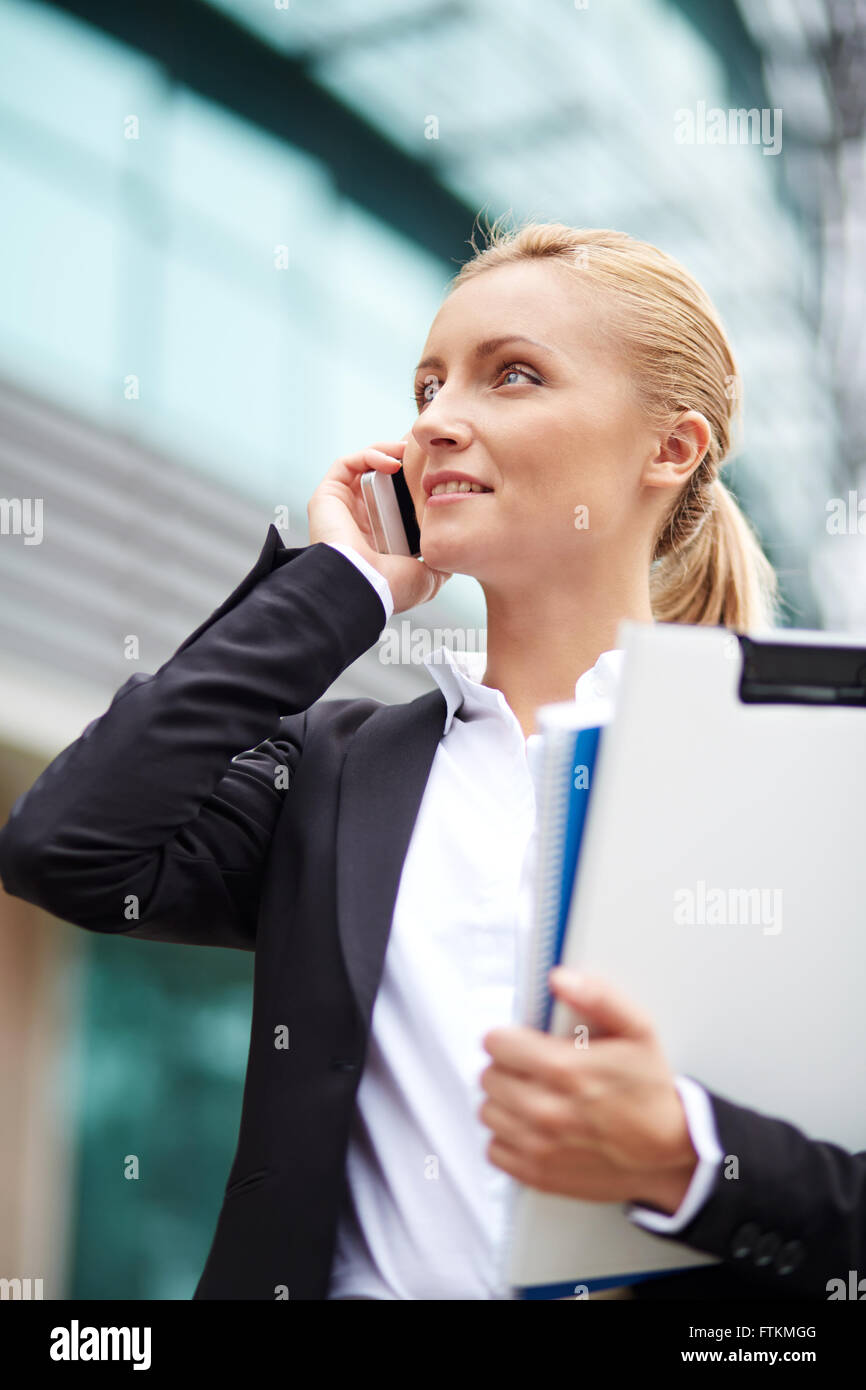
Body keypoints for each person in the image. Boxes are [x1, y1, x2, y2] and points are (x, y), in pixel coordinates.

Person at [0, 220, 860, 1301]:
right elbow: (66, 845)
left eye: (512, 374)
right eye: (426, 386)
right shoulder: (335, 775)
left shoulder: (806, 781)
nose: (436, 420)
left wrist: (689, 1157)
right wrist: (341, 586)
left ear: (670, 449)